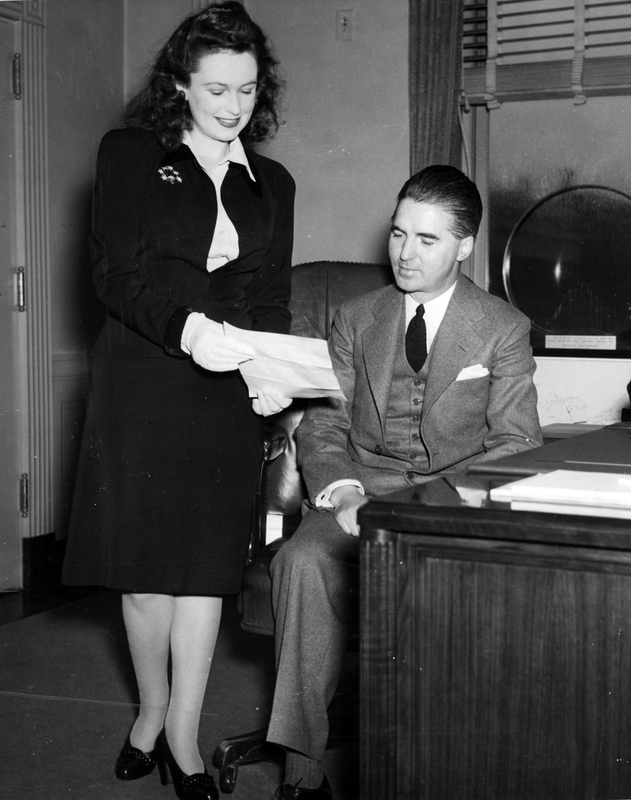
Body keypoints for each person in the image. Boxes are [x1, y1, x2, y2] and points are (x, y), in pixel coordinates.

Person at [62, 4, 294, 799]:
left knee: (202, 574)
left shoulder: (274, 183)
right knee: (144, 577)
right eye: (215, 88)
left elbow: (269, 297)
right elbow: (113, 274)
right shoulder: (131, 155)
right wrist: (187, 328)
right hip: (144, 379)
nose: (233, 106)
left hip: (227, 395)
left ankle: (186, 738)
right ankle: (149, 713)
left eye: (247, 88)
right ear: (180, 86)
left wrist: (272, 372)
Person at [265, 165, 543, 799]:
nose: (404, 253)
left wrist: (428, 503)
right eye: (397, 234)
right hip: (358, 491)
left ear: (464, 245)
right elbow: (325, 426)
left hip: (444, 502)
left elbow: (516, 443)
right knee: (301, 564)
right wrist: (343, 492)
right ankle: (302, 776)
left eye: (427, 239)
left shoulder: (502, 327)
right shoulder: (356, 318)